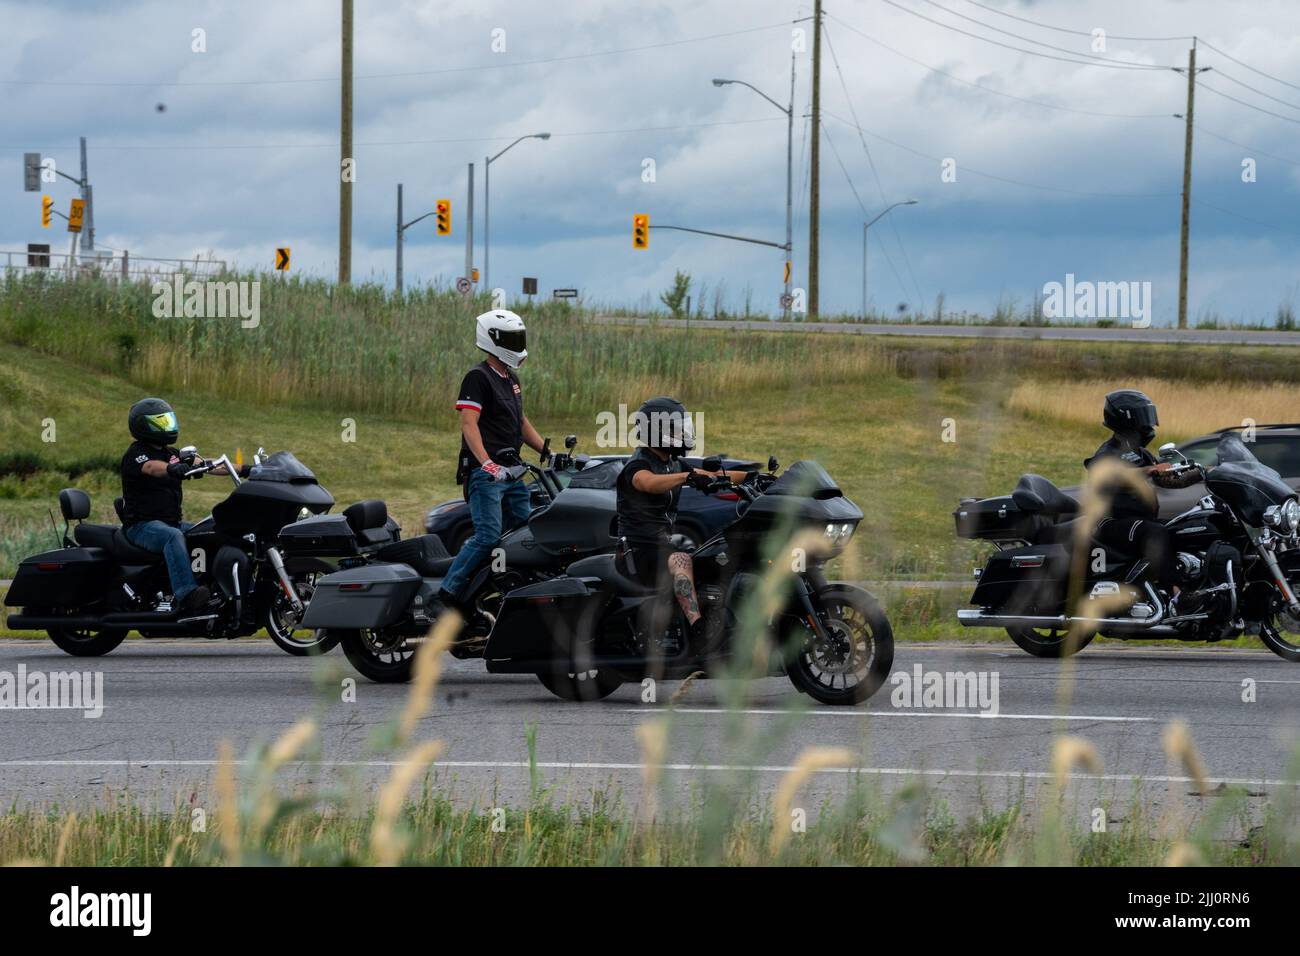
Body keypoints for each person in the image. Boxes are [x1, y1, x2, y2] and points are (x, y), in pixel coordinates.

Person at [437, 310, 550, 615]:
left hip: (512, 471)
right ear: (493, 341)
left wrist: (546, 451)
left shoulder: (510, 379)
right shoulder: (478, 377)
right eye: (513, 339)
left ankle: (497, 588)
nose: (519, 344)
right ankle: (446, 594)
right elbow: (469, 425)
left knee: (523, 530)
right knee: (488, 534)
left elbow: (520, 421)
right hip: (487, 475)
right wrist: (485, 463)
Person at [615, 396, 750, 641]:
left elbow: (710, 475)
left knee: (716, 558)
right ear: (656, 431)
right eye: (675, 429)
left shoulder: (673, 463)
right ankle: (698, 629)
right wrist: (686, 478)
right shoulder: (638, 465)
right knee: (680, 559)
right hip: (640, 550)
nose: (682, 434)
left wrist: (753, 477)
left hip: (661, 545)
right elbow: (647, 483)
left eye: (682, 428)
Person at [120, 397, 243, 612]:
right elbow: (151, 467)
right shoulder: (136, 454)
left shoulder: (172, 454)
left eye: (168, 421)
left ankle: (219, 589)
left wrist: (247, 469)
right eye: (161, 422)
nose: (167, 426)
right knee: (172, 536)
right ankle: (187, 595)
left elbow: (209, 464)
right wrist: (171, 469)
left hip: (170, 522)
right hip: (141, 526)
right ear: (144, 425)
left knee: (213, 530)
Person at [1084, 389, 1202, 607]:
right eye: (1143, 417)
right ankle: (1177, 594)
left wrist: (1205, 473)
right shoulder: (1108, 453)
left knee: (1188, 527)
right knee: (1155, 532)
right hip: (1111, 523)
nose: (1149, 425)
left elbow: (1168, 480)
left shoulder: (1141, 453)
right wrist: (1148, 470)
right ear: (1126, 419)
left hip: (1138, 522)